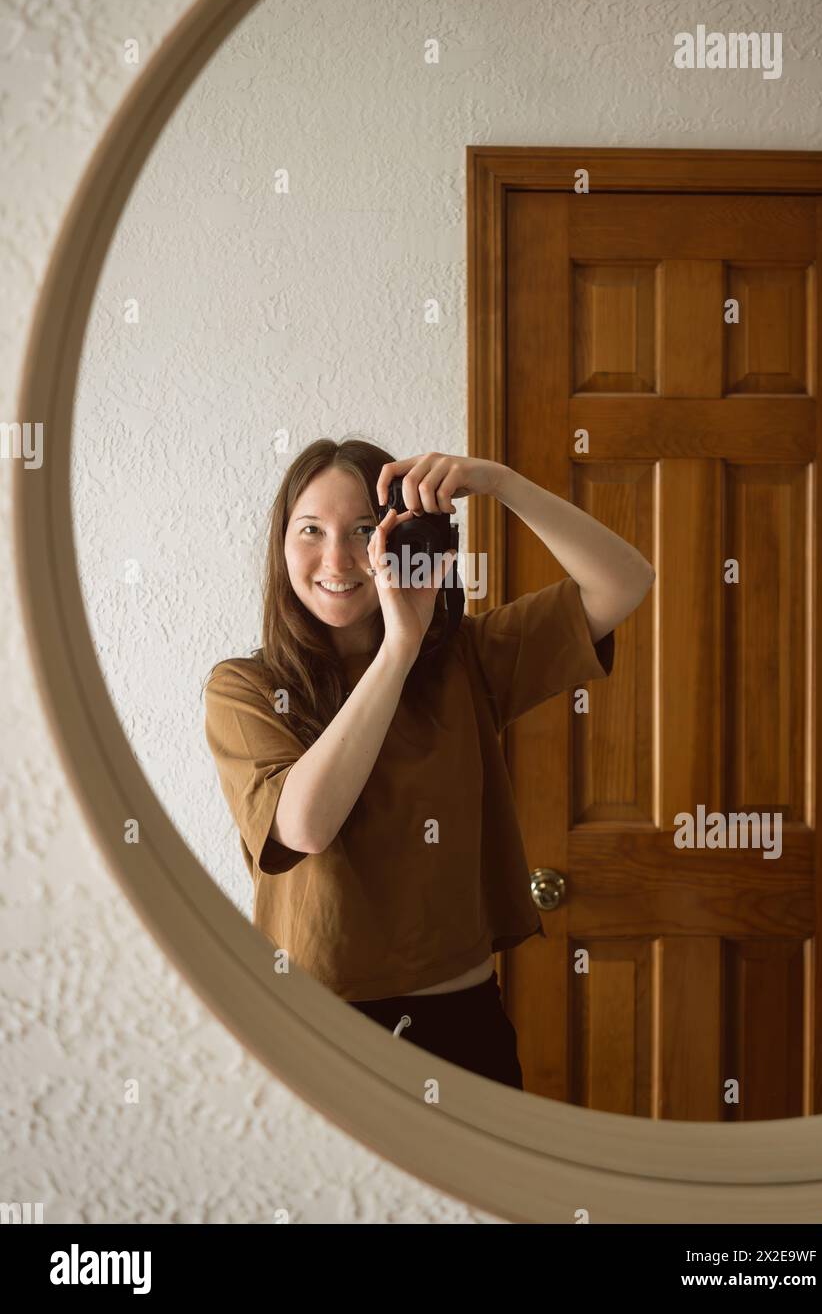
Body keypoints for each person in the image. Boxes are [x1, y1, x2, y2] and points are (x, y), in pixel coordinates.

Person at [203, 438, 654, 1090]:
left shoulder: (467, 661)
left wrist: (501, 482)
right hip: (316, 1019)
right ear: (281, 546)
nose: (337, 557)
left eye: (364, 530)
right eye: (310, 530)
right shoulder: (245, 687)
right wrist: (398, 650)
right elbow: (304, 827)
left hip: (461, 1019)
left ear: (406, 539)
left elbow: (627, 580)